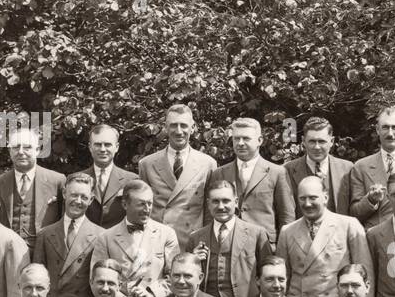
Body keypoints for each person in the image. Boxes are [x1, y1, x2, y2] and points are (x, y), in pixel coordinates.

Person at [276, 176, 372, 297]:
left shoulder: (349, 225)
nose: (307, 204)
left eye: (313, 198)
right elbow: (281, 277)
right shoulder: (287, 231)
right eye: (302, 198)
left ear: (325, 198)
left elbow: (365, 274)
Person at [87, 179, 182, 297]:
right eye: (141, 204)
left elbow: (175, 276)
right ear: (125, 204)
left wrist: (152, 293)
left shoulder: (166, 234)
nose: (147, 209)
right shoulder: (106, 238)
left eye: (150, 204)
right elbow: (96, 278)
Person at [208, 116, 295, 248]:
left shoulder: (277, 173)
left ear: (260, 140)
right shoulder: (219, 173)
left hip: (265, 247)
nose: (240, 143)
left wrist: (283, 250)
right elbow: (210, 214)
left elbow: (286, 217)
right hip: (228, 246)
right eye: (236, 138)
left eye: (246, 138)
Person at [138, 103, 216, 248]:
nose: (179, 131)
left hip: (192, 244)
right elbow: (141, 208)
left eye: (184, 125)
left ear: (192, 128)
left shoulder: (207, 164)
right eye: (173, 125)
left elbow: (209, 211)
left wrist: (203, 242)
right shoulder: (147, 164)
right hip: (156, 244)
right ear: (166, 128)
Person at [187, 178, 271, 297]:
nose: (221, 207)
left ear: (236, 202)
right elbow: (186, 278)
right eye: (215, 201)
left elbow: (268, 275)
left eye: (226, 201)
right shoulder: (195, 238)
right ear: (208, 204)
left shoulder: (257, 234)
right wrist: (193, 261)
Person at [0, 125, 66, 255]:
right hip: (6, 253)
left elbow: (63, 220)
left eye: (27, 147)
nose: (20, 152)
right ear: (10, 151)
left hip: (45, 253)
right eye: (16, 147)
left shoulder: (57, 181)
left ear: (37, 150)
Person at [32, 172, 100, 297]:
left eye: (84, 197)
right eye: (74, 195)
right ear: (64, 194)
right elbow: (36, 278)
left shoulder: (101, 236)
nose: (78, 201)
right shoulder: (45, 234)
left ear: (91, 199)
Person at [283, 117, 354, 216]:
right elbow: (285, 213)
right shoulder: (287, 170)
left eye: (321, 141)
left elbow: (353, 209)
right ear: (303, 141)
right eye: (312, 141)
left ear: (332, 141)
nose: (317, 147)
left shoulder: (347, 168)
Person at [82, 123, 138, 228]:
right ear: (90, 147)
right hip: (86, 237)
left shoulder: (132, 180)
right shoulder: (77, 179)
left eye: (107, 144)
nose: (102, 149)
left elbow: (135, 218)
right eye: (97, 144)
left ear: (116, 147)